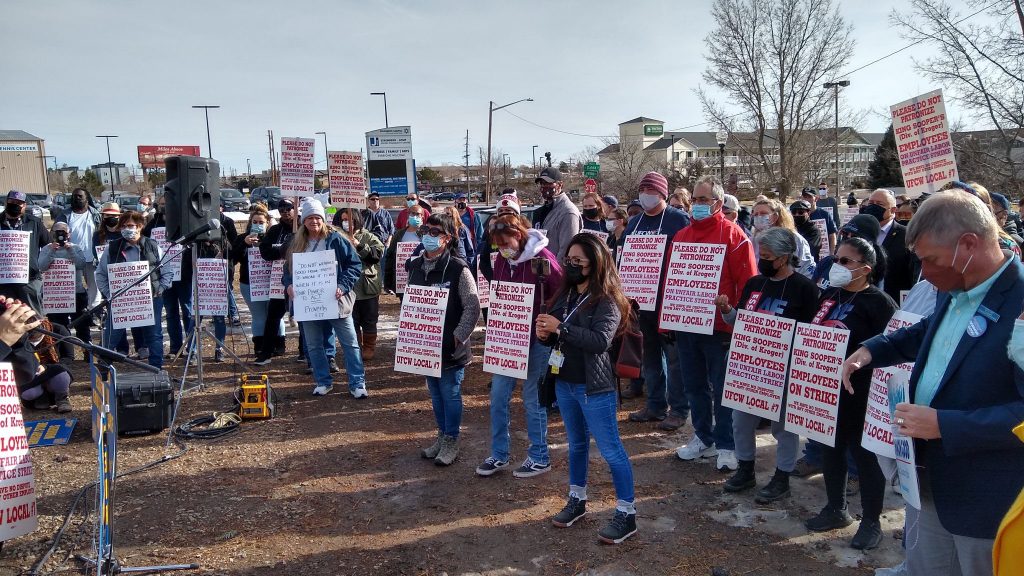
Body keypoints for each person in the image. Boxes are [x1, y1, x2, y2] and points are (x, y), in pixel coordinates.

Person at [845, 190, 1024, 573]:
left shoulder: (1020, 305)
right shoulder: (955, 284)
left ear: (969, 245)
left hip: (987, 501)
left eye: (931, 260)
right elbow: (929, 331)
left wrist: (944, 425)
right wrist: (872, 350)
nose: (924, 273)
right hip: (927, 485)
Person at [536, 233, 638, 544]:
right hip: (565, 382)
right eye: (569, 260)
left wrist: (561, 328)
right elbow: (560, 336)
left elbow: (599, 342)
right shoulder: (565, 295)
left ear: (595, 265)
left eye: (578, 261)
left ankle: (627, 513)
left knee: (611, 450)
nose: (571, 266)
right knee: (576, 445)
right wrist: (546, 335)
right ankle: (577, 499)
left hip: (594, 387)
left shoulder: (607, 301)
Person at [802, 236, 896, 550]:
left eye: (845, 261)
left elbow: (892, 349)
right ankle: (836, 508)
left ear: (865, 269)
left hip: (862, 393)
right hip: (826, 391)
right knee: (830, 449)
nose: (836, 266)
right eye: (835, 259)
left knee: (864, 456)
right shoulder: (829, 296)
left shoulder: (879, 302)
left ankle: (871, 521)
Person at [715, 227, 819, 501]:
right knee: (741, 420)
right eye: (761, 255)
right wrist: (727, 312)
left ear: (785, 258)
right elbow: (742, 321)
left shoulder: (805, 289)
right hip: (750, 366)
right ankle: (746, 469)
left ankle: (782, 477)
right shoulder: (754, 284)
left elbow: (812, 333)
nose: (763, 261)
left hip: (784, 369)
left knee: (783, 427)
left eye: (768, 256)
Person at [672, 175, 757, 471]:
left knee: (722, 388)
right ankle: (703, 437)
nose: (697, 204)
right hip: (687, 324)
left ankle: (726, 443)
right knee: (694, 385)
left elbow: (748, 284)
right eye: (694, 199)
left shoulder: (734, 236)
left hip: (720, 327)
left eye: (703, 199)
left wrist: (732, 312)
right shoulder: (682, 236)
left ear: (718, 203)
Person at [475, 213, 563, 478]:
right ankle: (500, 454)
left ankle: (539, 456)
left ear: (519, 235)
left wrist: (550, 326)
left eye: (506, 243)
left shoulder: (543, 259)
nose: (502, 249)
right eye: (497, 245)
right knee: (498, 396)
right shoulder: (502, 259)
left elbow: (561, 295)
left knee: (532, 398)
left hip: (536, 341)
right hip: (507, 340)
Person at [409, 213, 480, 466]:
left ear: (448, 238)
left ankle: (452, 439)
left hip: (451, 346)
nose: (429, 235)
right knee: (435, 394)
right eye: (426, 230)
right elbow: (411, 303)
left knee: (450, 393)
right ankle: (441, 435)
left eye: (435, 232)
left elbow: (472, 307)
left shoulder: (459, 268)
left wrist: (458, 337)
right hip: (426, 345)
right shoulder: (415, 266)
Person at [624, 172, 691, 429]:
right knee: (649, 358)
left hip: (669, 302)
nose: (645, 195)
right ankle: (655, 405)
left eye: (650, 190)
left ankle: (679, 409)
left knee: (674, 361)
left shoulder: (679, 220)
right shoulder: (634, 223)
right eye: (642, 190)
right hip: (641, 305)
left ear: (663, 193)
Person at [282, 198, 367, 398]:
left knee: (350, 343)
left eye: (317, 217)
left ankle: (357, 382)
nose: (314, 221)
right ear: (303, 220)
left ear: (323, 219)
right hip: (308, 303)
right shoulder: (296, 243)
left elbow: (354, 265)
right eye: (310, 217)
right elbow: (287, 271)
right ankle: (323, 381)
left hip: (336, 300)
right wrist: (289, 285)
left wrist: (342, 286)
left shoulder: (336, 238)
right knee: (313, 344)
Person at [94, 210, 169, 369]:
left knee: (153, 335)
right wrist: (110, 293)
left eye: (130, 226)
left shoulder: (153, 246)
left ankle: (156, 369)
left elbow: (167, 271)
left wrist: (161, 288)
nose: (127, 229)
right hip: (120, 301)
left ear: (140, 226)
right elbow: (100, 274)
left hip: (150, 299)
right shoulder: (112, 248)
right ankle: (103, 371)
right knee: (110, 336)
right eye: (123, 226)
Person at [233, 204, 281, 358]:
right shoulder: (242, 238)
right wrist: (245, 244)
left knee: (275, 315)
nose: (258, 225)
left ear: (267, 223)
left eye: (261, 222)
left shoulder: (273, 237)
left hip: (273, 282)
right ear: (250, 223)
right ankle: (259, 346)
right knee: (259, 316)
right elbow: (233, 258)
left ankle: (278, 344)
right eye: (255, 222)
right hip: (250, 284)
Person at [337, 208, 385, 362]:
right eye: (343, 219)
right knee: (352, 320)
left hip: (367, 286)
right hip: (347, 288)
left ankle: (369, 347)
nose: (346, 223)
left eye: (349, 219)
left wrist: (359, 245)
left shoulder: (369, 236)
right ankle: (355, 347)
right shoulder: (337, 237)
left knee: (370, 319)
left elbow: (377, 255)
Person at [254, 199, 297, 365]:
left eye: (288, 209)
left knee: (303, 317)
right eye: (281, 210)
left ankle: (304, 352)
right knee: (272, 318)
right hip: (279, 282)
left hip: (301, 279)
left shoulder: (302, 228)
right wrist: (283, 250)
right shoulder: (275, 230)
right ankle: (266, 353)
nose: (285, 212)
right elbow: (265, 251)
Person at [38, 221, 91, 353]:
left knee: (81, 324)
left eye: (64, 232)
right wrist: (52, 251)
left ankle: (87, 351)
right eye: (57, 232)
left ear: (69, 234)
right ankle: (65, 353)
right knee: (58, 325)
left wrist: (70, 250)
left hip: (75, 292)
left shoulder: (76, 247)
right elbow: (41, 266)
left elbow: (81, 264)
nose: (61, 234)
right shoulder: (46, 248)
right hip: (55, 294)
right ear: (52, 234)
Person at [860, 188, 917, 303]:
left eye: (879, 204)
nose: (873, 207)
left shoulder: (907, 235)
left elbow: (914, 274)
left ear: (893, 210)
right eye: (871, 203)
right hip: (862, 301)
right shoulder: (859, 232)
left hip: (894, 301)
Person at [0, 190, 50, 313]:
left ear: (24, 206)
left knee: (35, 319)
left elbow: (48, 245)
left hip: (30, 280)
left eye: (19, 203)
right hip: (3, 282)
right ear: (7, 202)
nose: (15, 205)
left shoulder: (34, 222)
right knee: (6, 320)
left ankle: (40, 333)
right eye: (12, 202)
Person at [56, 188, 101, 308]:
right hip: (71, 258)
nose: (77, 198)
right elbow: (55, 234)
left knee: (94, 287)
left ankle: (94, 312)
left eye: (80, 196)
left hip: (92, 258)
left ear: (87, 198)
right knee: (75, 288)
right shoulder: (64, 215)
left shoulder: (95, 214)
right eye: (75, 196)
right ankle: (77, 312)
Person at [750, 199, 814, 278]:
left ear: (775, 216)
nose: (759, 217)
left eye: (763, 214)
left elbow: (805, 268)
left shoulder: (794, 239)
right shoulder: (752, 240)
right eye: (756, 215)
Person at [531, 166, 581, 260]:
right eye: (542, 183)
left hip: (555, 271)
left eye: (548, 183)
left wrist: (555, 272)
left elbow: (566, 251)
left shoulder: (568, 212)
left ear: (560, 185)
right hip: (540, 270)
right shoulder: (543, 210)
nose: (544, 186)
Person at [384, 203, 425, 297]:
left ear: (422, 216)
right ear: (408, 215)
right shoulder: (399, 234)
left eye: (417, 214)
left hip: (422, 278)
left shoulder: (428, 234)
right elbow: (390, 257)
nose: (415, 216)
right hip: (402, 280)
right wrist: (388, 283)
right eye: (412, 214)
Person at [478, 192, 521, 282]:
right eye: (501, 211)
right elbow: (483, 262)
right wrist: (495, 279)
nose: (504, 214)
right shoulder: (493, 233)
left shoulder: (528, 234)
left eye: (508, 211)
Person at [802, 187, 838, 254]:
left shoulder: (824, 214)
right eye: (805, 197)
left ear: (816, 198)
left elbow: (832, 235)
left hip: (822, 255)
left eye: (809, 197)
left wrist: (832, 253)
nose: (806, 200)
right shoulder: (798, 214)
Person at [454, 193, 485, 261]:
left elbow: (479, 233)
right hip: (455, 246)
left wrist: (479, 248)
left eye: (464, 200)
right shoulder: (451, 214)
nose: (462, 202)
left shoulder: (473, 215)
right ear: (455, 202)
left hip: (470, 247)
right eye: (460, 200)